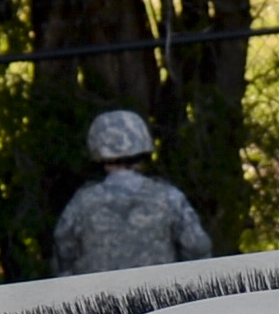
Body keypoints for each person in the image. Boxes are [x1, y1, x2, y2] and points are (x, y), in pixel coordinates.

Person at [50, 107, 215, 275]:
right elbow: (198, 249)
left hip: (99, 299)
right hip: (160, 299)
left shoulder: (82, 204)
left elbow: (62, 260)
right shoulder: (169, 198)